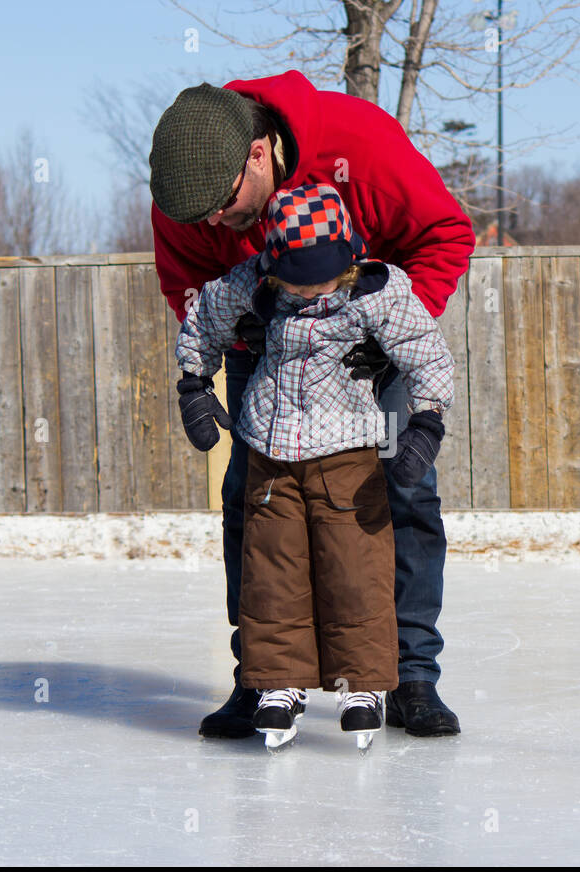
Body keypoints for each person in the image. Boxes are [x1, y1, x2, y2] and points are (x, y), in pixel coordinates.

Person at [150, 70, 474, 738]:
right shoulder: (186, 195)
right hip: (261, 355)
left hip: (364, 347)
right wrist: (210, 362)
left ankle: (411, 674)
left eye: (223, 202)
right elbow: (188, 289)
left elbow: (446, 234)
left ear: (259, 154)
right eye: (200, 213)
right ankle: (262, 676)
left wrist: (393, 337)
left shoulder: (362, 142)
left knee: (400, 497)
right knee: (254, 506)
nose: (213, 221)